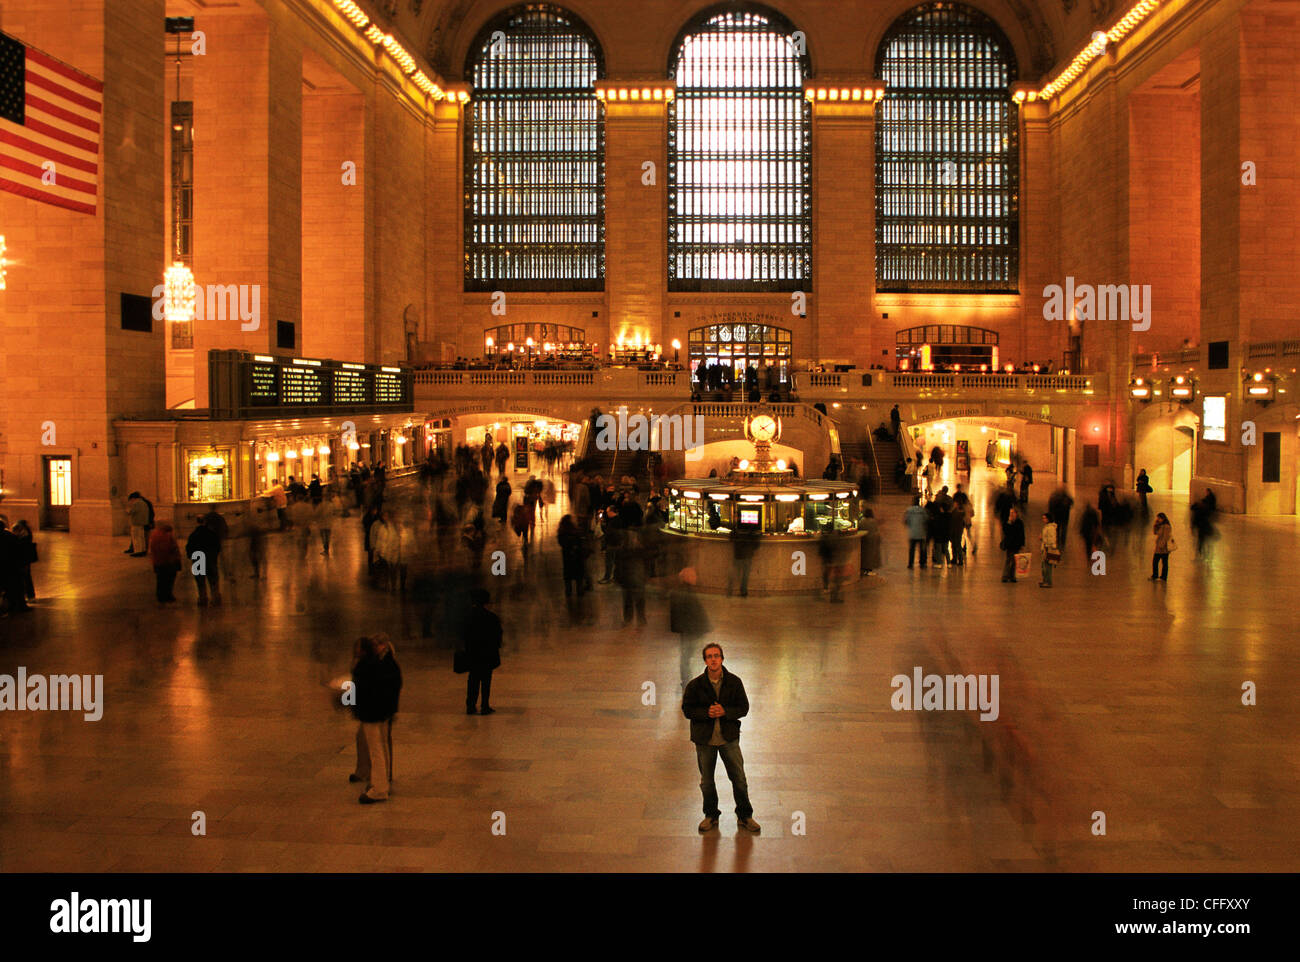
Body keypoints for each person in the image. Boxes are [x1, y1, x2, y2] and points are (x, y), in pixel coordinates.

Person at [681, 643, 759, 834]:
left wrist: (726, 711)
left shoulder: (734, 682)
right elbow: (687, 710)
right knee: (707, 781)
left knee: (739, 778)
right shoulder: (695, 685)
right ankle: (711, 815)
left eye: (716, 655)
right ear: (705, 661)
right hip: (705, 740)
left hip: (728, 738)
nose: (713, 659)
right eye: (709, 656)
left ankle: (745, 815)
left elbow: (744, 708)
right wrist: (706, 712)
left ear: (722, 659)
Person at [350, 634, 402, 804]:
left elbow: (369, 689)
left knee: (376, 750)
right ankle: (381, 781)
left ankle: (379, 788)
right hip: (381, 711)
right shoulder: (382, 663)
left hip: (373, 713)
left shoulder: (373, 665)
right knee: (380, 748)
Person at [461, 588, 502, 715]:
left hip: (473, 653)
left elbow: (463, 634)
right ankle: (485, 705)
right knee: (486, 680)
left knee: (472, 679)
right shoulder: (492, 617)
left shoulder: (468, 616)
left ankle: (471, 705)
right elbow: (498, 636)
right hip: (487, 654)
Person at [670, 568, 712, 688]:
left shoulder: (681, 591)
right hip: (691, 631)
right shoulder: (687, 593)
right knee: (688, 658)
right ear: (687, 578)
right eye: (693, 576)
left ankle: (687, 681)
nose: (695, 578)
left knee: (687, 657)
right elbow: (695, 614)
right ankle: (688, 682)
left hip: (687, 631)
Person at [185, 517, 222, 607]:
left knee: (200, 581)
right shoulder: (212, 534)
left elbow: (189, 548)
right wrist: (214, 555)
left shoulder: (193, 535)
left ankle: (202, 598)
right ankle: (215, 598)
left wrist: (190, 556)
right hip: (210, 559)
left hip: (197, 559)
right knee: (213, 580)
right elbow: (218, 546)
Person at [615, 525, 648, 625]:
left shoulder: (623, 549)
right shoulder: (639, 548)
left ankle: (629, 619)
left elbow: (618, 563)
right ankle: (640, 618)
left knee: (628, 599)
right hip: (636, 575)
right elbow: (646, 561)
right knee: (638, 598)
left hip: (629, 576)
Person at [148, 521, 183, 603]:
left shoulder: (154, 535)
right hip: (168, 562)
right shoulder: (168, 536)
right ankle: (167, 595)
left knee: (160, 580)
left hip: (158, 562)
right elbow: (171, 549)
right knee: (168, 580)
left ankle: (160, 596)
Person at [10, 520, 37, 603]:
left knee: (25, 578)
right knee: (27, 577)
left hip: (22, 560)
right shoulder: (26, 534)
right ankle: (30, 595)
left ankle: (27, 595)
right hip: (25, 560)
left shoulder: (21, 538)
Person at [1000, 506, 1025, 583]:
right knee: (1009, 559)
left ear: (1016, 514)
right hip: (1009, 544)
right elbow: (1006, 531)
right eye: (1010, 513)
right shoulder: (1007, 522)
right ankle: (1005, 576)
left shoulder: (1019, 523)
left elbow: (1022, 534)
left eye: (1013, 512)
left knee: (1014, 561)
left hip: (1016, 544)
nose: (1011, 514)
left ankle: (1012, 576)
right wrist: (1009, 522)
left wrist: (1022, 544)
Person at [904, 495, 928, 569]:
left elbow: (906, 520)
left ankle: (911, 564)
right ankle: (922, 563)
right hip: (921, 532)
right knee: (921, 549)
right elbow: (926, 519)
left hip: (912, 533)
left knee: (912, 549)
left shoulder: (909, 510)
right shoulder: (923, 510)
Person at [858, 507, 882, 575]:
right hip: (873, 541)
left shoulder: (862, 521)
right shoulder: (873, 521)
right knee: (871, 556)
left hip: (865, 541)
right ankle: (869, 570)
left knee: (865, 556)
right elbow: (876, 531)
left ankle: (865, 569)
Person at [1150, 512, 1173, 581]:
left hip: (1163, 548)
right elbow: (1155, 533)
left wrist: (1161, 545)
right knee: (1156, 561)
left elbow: (1165, 537)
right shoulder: (1161, 526)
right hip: (1159, 547)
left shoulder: (1166, 526)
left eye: (1159, 518)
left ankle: (1163, 577)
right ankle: (1155, 575)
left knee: (1163, 562)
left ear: (1163, 518)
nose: (1158, 519)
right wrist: (1155, 525)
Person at [1039, 512, 1058, 587]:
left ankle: (1048, 582)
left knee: (1047, 566)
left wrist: (1047, 548)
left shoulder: (1050, 528)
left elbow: (1051, 539)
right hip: (1045, 548)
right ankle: (1045, 580)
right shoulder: (1047, 527)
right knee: (1044, 566)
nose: (1043, 520)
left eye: (1044, 518)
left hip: (1048, 549)